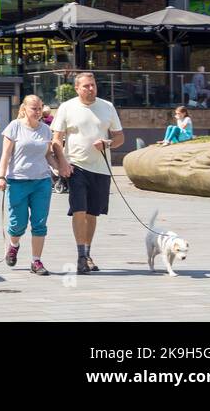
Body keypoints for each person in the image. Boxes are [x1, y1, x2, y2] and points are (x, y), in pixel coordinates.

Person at [51, 71, 124, 275]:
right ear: (77, 88)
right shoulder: (67, 107)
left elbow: (119, 137)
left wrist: (108, 142)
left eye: (93, 85)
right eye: (86, 86)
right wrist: (62, 163)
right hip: (76, 167)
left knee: (93, 214)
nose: (91, 89)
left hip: (101, 168)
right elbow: (56, 140)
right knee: (79, 211)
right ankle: (81, 255)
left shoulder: (107, 107)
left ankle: (88, 252)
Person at [0, 95, 66, 276]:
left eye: (39, 108)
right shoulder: (15, 126)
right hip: (17, 181)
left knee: (39, 223)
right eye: (33, 108)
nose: (37, 112)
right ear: (25, 109)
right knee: (17, 224)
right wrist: (1, 177)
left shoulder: (45, 130)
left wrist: (58, 167)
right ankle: (14, 245)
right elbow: (5, 154)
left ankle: (36, 261)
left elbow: (48, 155)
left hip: (41, 182)